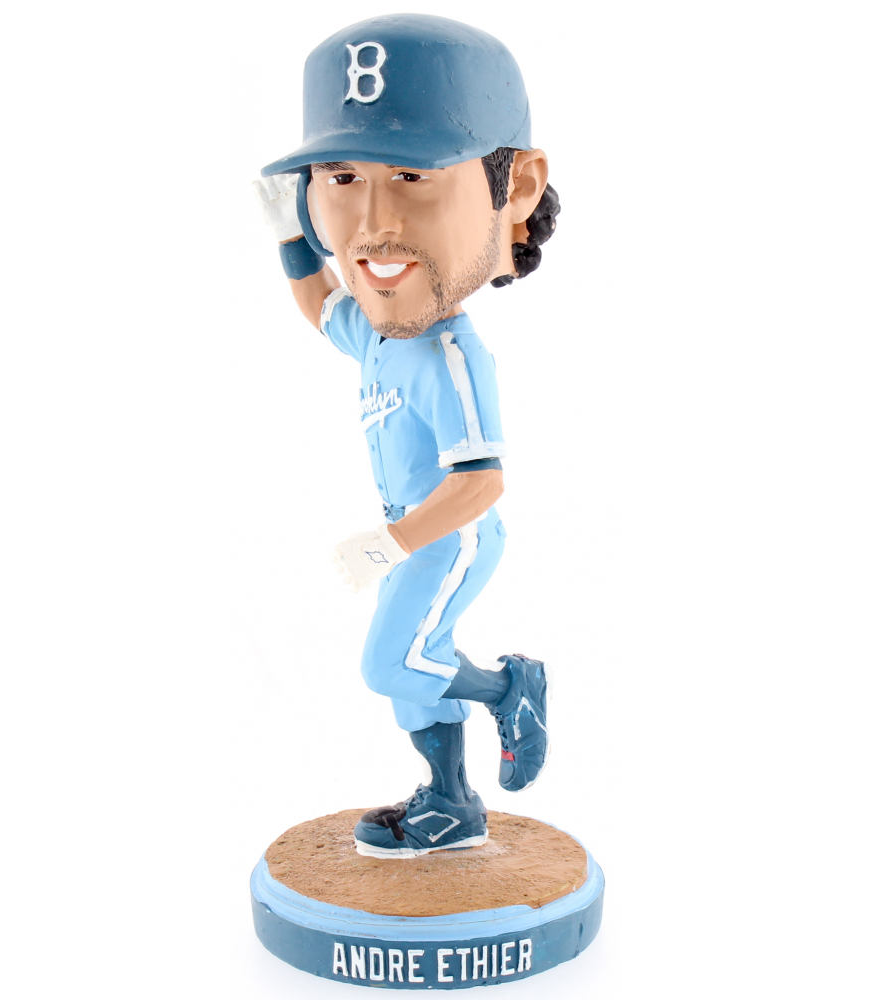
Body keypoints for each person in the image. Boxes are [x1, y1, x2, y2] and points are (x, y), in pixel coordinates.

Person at [254, 15, 560, 858]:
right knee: (410, 678)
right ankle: (451, 803)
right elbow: (320, 304)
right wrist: (288, 233)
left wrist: (389, 545)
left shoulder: (454, 356)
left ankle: (509, 688)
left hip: (450, 534)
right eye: (341, 176)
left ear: (515, 191)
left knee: (391, 663)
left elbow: (482, 482)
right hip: (415, 533)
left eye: (414, 175)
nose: (372, 218)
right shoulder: (380, 335)